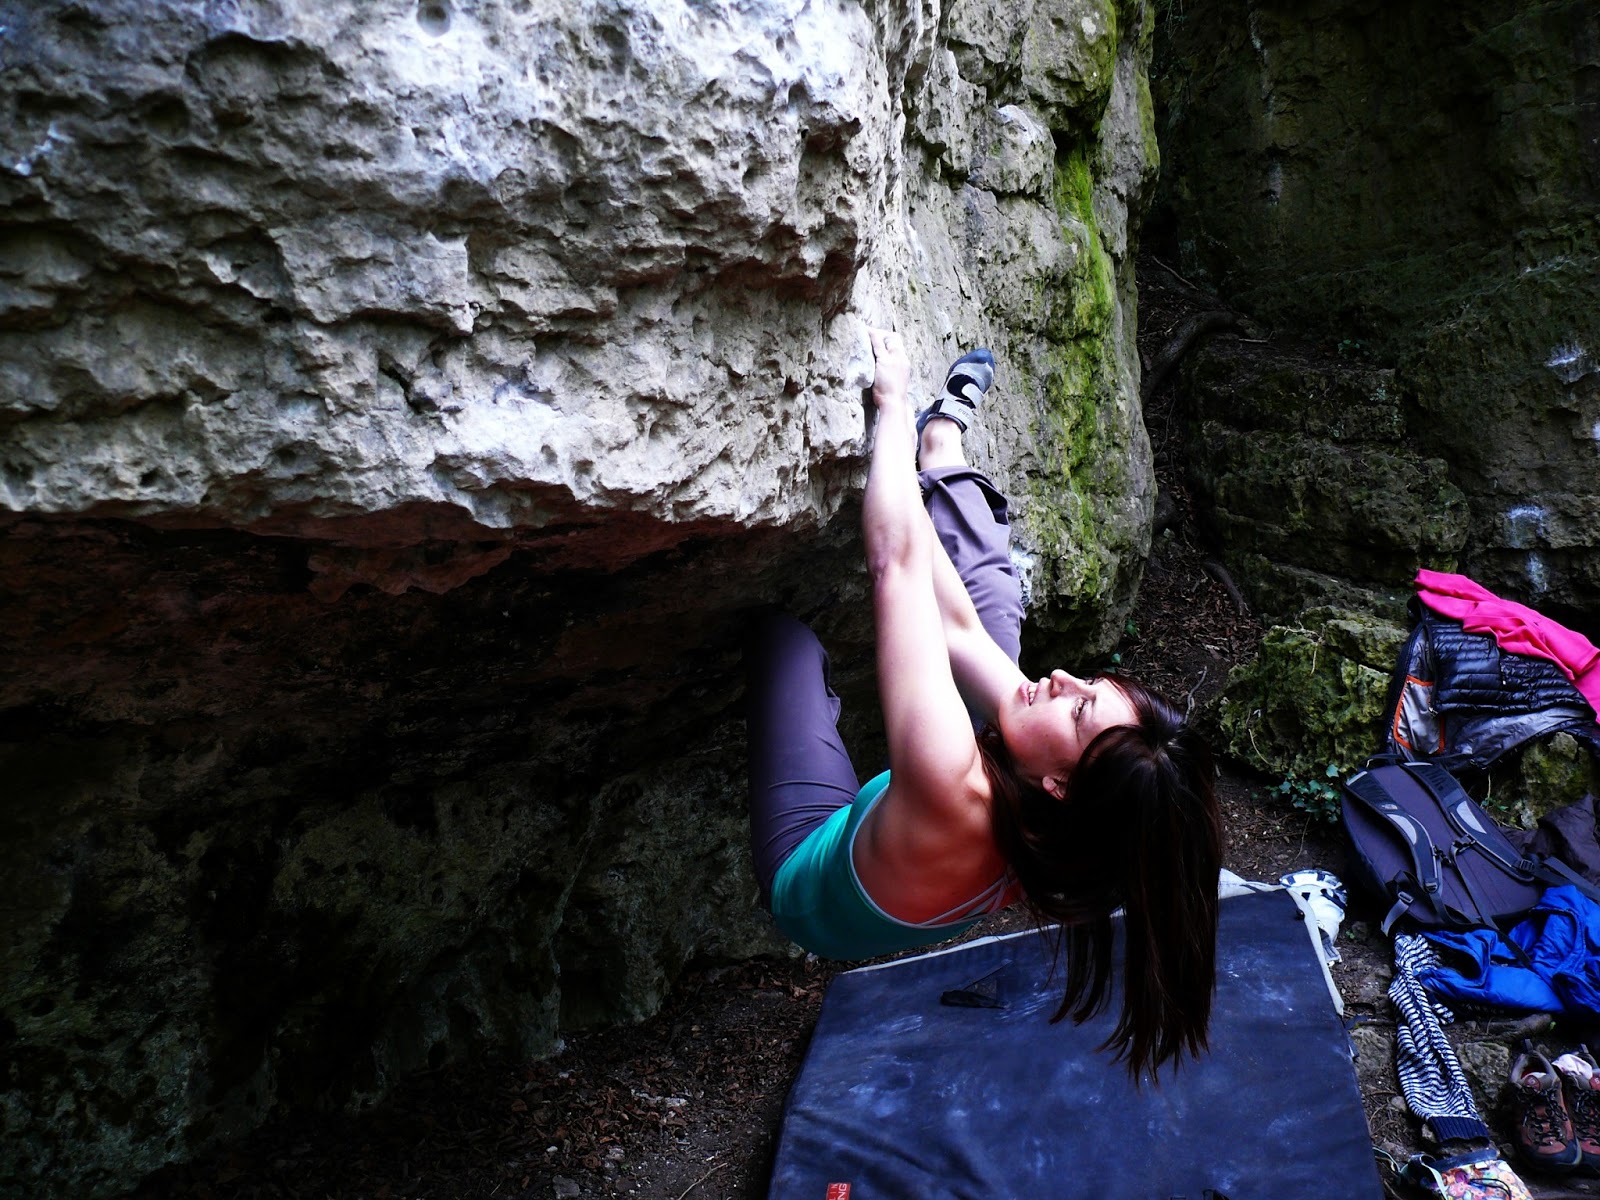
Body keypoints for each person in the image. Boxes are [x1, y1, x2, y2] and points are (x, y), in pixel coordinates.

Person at [745, 329, 1223, 1078]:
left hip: (810, 864)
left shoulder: (951, 782)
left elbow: (894, 562)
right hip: (918, 823)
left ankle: (928, 441)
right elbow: (960, 626)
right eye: (1089, 685)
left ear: (1062, 783)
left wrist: (892, 404)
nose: (1063, 678)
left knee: (786, 644)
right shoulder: (1069, 837)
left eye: (1078, 710)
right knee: (992, 601)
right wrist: (913, 461)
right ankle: (946, 443)